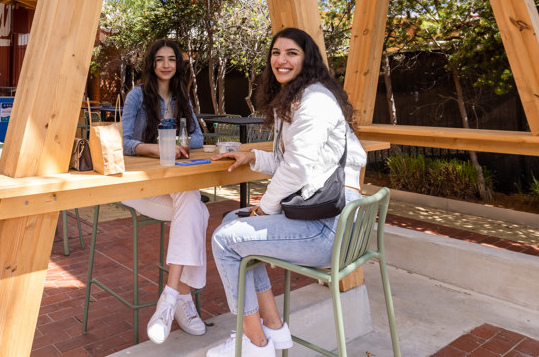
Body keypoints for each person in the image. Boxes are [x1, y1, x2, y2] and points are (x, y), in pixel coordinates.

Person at [207, 27, 367, 357]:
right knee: (232, 221)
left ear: (307, 59)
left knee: (225, 240)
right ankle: (275, 331)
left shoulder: (314, 101)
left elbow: (297, 169)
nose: (281, 60)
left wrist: (265, 210)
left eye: (291, 53)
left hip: (329, 230)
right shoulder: (299, 98)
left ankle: (254, 343)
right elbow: (288, 160)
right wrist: (252, 156)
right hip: (333, 220)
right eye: (276, 53)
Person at [119, 39, 208, 343]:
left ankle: (170, 299)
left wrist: (180, 143)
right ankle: (183, 299)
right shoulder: (136, 97)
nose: (166, 64)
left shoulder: (182, 96)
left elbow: (197, 137)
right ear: (152, 64)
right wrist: (155, 150)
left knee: (191, 203)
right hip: (139, 187)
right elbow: (122, 142)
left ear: (178, 64)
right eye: (160, 59)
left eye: (172, 59)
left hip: (173, 188)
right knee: (198, 211)